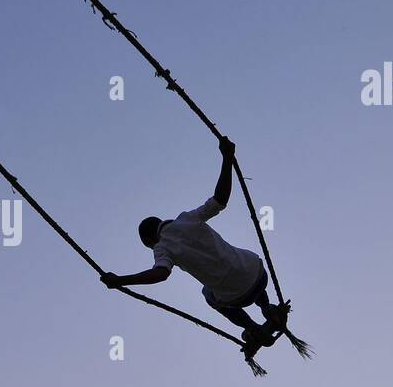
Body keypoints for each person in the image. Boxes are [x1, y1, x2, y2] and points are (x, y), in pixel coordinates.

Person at [100, 137, 286, 359]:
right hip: (258, 274)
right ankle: (266, 307)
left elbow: (160, 274)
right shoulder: (187, 219)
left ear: (151, 241)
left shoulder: (161, 248)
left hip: (238, 297)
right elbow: (220, 199)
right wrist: (227, 158)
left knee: (208, 294)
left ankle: (252, 326)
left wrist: (121, 280)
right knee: (241, 262)